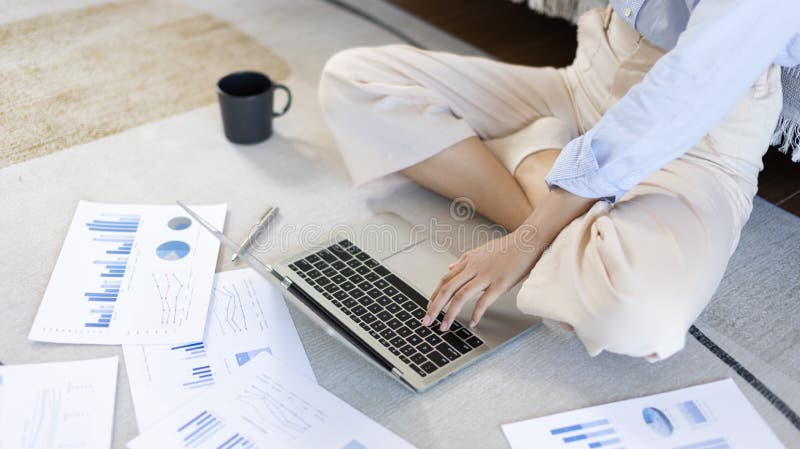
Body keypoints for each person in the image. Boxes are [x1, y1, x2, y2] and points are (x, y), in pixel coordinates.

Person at [318, 0, 800, 361]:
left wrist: (526, 239)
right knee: (353, 78)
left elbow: (685, 92)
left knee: (639, 313)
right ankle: (554, 194)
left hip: (698, 140)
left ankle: (532, 159)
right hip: (589, 78)